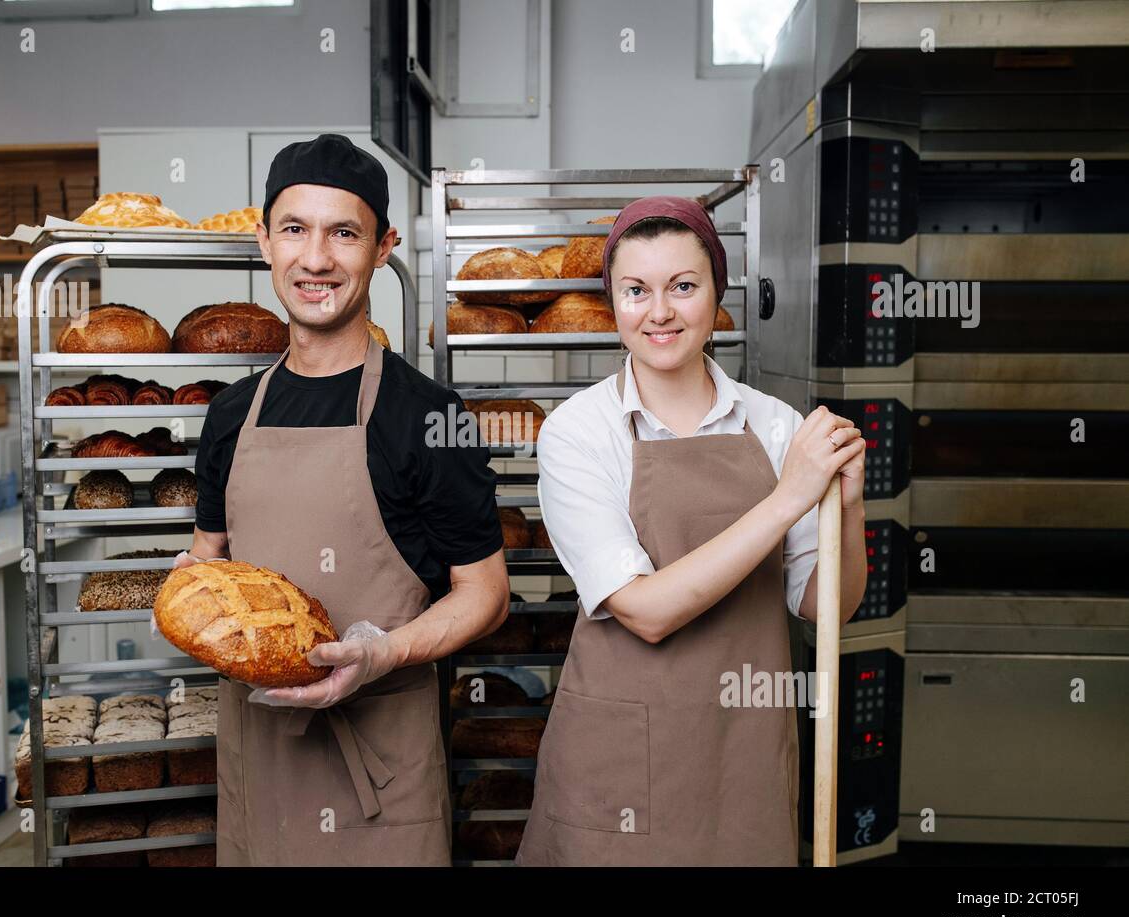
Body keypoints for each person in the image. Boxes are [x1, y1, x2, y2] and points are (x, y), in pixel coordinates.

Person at [179, 133, 509, 866]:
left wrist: (380, 650)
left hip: (382, 771)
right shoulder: (230, 414)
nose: (317, 258)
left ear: (383, 246)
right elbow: (208, 565)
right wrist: (187, 596)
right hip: (258, 759)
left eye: (345, 233)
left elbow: (486, 593)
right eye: (295, 229)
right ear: (264, 240)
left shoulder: (431, 416)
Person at [515, 196, 868, 866]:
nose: (660, 312)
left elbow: (828, 606)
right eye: (636, 291)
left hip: (744, 751)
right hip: (617, 757)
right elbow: (645, 612)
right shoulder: (578, 433)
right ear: (612, 303)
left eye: (683, 286)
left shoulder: (776, 427)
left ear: (716, 294)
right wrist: (787, 497)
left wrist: (847, 510)